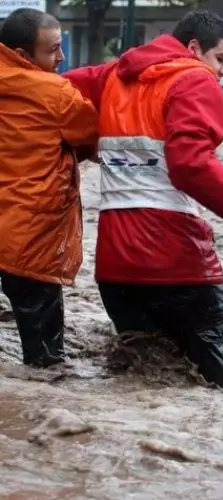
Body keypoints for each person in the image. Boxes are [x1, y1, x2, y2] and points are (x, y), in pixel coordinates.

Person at [62, 11, 223, 388]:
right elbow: (190, 164)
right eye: (222, 59)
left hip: (115, 269)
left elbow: (50, 93)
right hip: (176, 262)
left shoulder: (113, 76)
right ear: (194, 49)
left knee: (137, 383)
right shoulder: (196, 79)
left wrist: (88, 143)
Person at [0, 8, 98, 368]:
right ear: (24, 56)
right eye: (54, 50)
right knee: (46, 363)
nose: (62, 57)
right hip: (30, 237)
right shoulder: (55, 92)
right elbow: (90, 133)